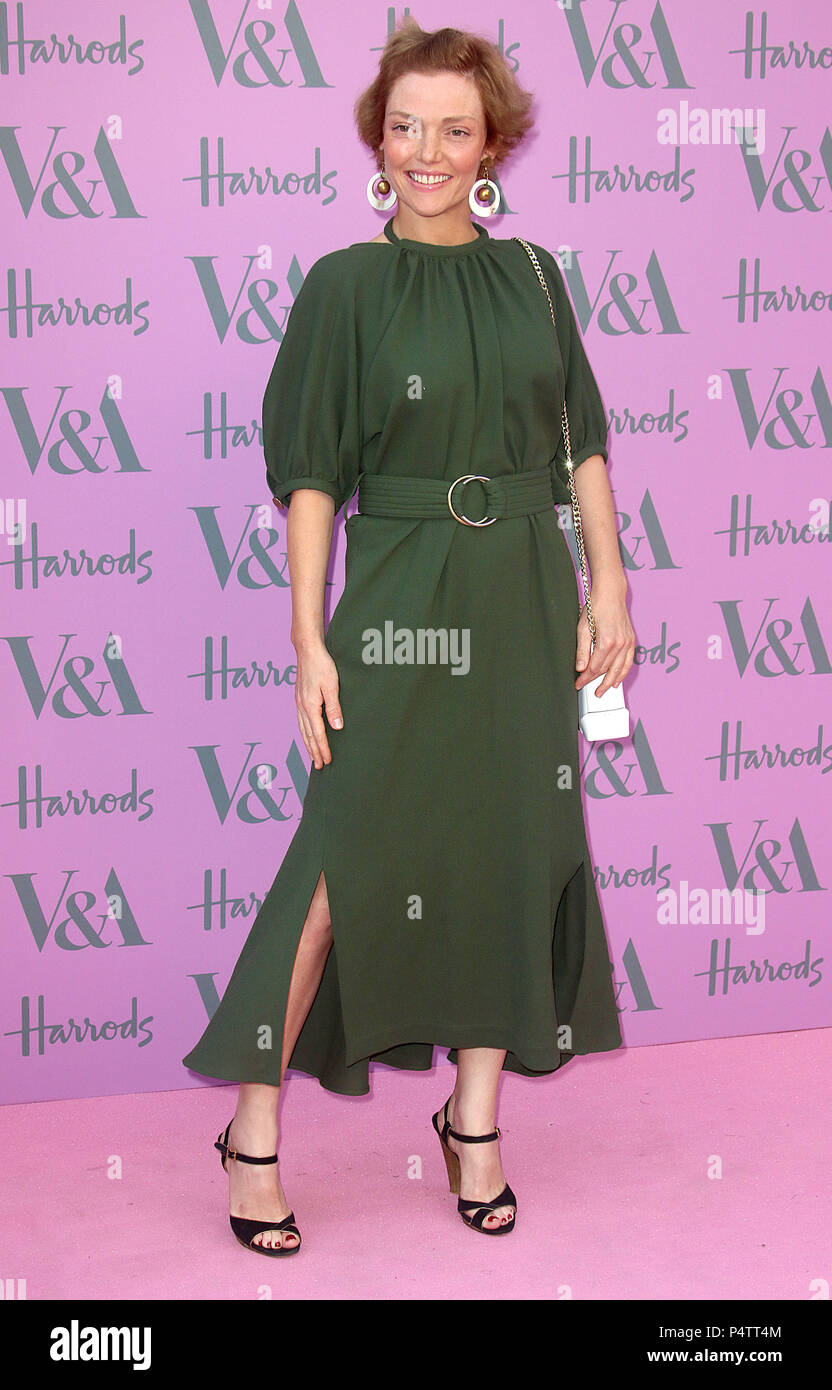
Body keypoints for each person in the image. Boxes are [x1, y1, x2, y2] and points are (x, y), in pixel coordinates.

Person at [182, 17, 635, 1256]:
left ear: (494, 140)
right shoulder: (344, 285)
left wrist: (609, 584)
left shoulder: (536, 273)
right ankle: (252, 1132)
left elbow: (577, 441)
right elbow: (313, 476)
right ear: (376, 141)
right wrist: (307, 640)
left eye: (452, 127)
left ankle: (472, 1124)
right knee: (336, 870)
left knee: (509, 848)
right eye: (403, 126)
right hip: (396, 600)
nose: (426, 151)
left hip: (524, 596)